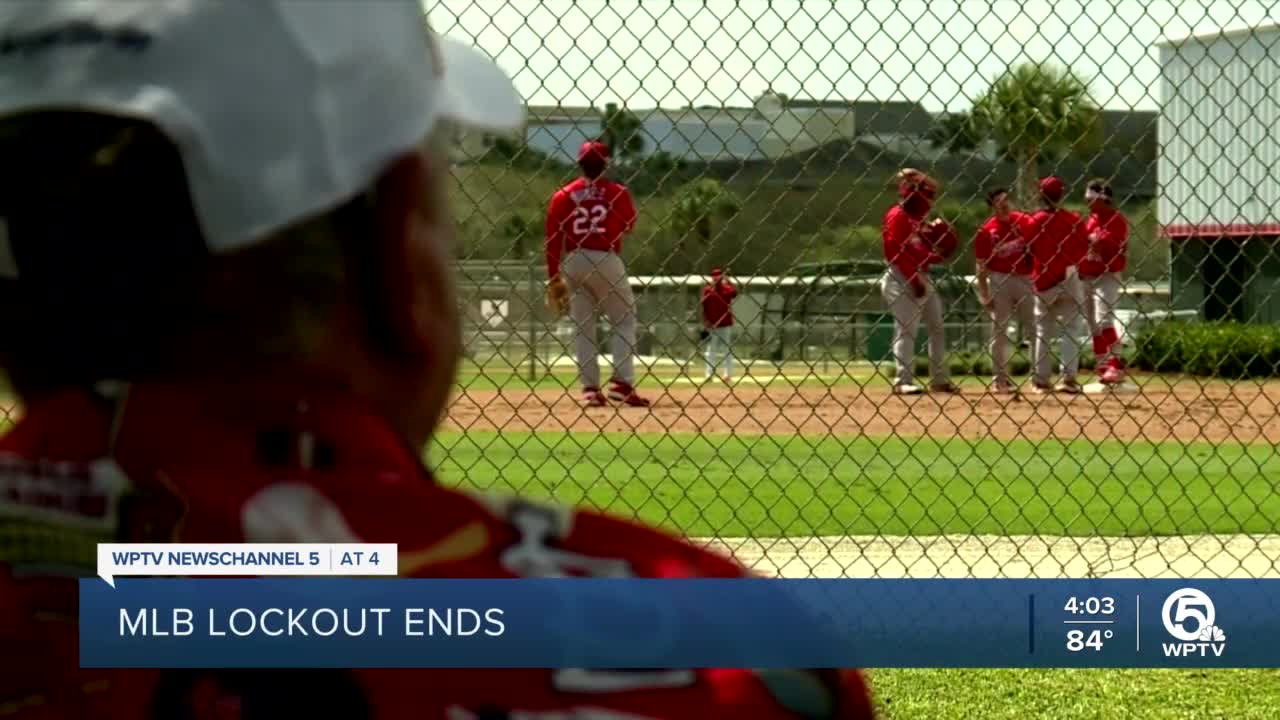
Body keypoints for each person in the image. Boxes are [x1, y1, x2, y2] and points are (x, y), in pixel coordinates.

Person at [0, 2, 873, 718]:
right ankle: (621, 377)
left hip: (570, 263)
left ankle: (596, 378)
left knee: (585, 333)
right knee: (623, 328)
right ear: (397, 256)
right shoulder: (730, 660)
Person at [545, 141, 650, 407]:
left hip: (574, 258)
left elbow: (553, 237)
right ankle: (621, 384)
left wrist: (554, 275)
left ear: (579, 164)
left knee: (583, 326)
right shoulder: (617, 192)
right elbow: (629, 226)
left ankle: (590, 389)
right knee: (624, 319)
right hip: (605, 256)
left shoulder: (564, 195)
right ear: (606, 164)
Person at [880, 168, 959, 395]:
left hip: (921, 274)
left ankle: (939, 379)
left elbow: (924, 251)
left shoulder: (919, 219)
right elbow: (898, 252)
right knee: (906, 330)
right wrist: (914, 280)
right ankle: (902, 380)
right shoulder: (898, 215)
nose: (930, 199)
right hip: (900, 276)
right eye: (927, 194)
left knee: (937, 327)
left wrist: (941, 247)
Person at [1024, 176, 1089, 394]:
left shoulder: (1034, 221)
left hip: (1043, 278)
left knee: (1043, 330)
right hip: (1069, 277)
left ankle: (1041, 381)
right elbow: (1083, 248)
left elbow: (1028, 248)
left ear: (1040, 195)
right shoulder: (1074, 219)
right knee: (1071, 329)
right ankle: (1068, 379)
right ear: (1061, 195)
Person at [974, 187, 1035, 394]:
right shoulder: (987, 230)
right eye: (999, 202)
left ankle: (1038, 378)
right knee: (999, 331)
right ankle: (1000, 379)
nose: (1005, 204)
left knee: (1034, 329)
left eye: (1007, 200)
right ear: (992, 206)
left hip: (1026, 278)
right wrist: (984, 293)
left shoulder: (1024, 221)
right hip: (1000, 279)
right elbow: (981, 266)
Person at [1078, 178, 1130, 385]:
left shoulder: (1116, 220)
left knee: (1104, 320)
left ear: (1103, 199)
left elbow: (1105, 245)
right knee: (1092, 323)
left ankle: (1116, 365)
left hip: (1107, 275)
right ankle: (1103, 365)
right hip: (1087, 274)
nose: (1087, 201)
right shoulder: (1091, 219)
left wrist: (1087, 240)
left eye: (1091, 198)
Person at [701, 267, 738, 382]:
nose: (716, 278)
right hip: (713, 324)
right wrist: (706, 321)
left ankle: (727, 374)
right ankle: (709, 374)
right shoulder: (708, 290)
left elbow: (734, 293)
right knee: (711, 350)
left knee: (726, 350)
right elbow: (704, 306)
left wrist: (728, 280)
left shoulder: (726, 289)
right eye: (715, 276)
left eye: (719, 276)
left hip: (725, 323)